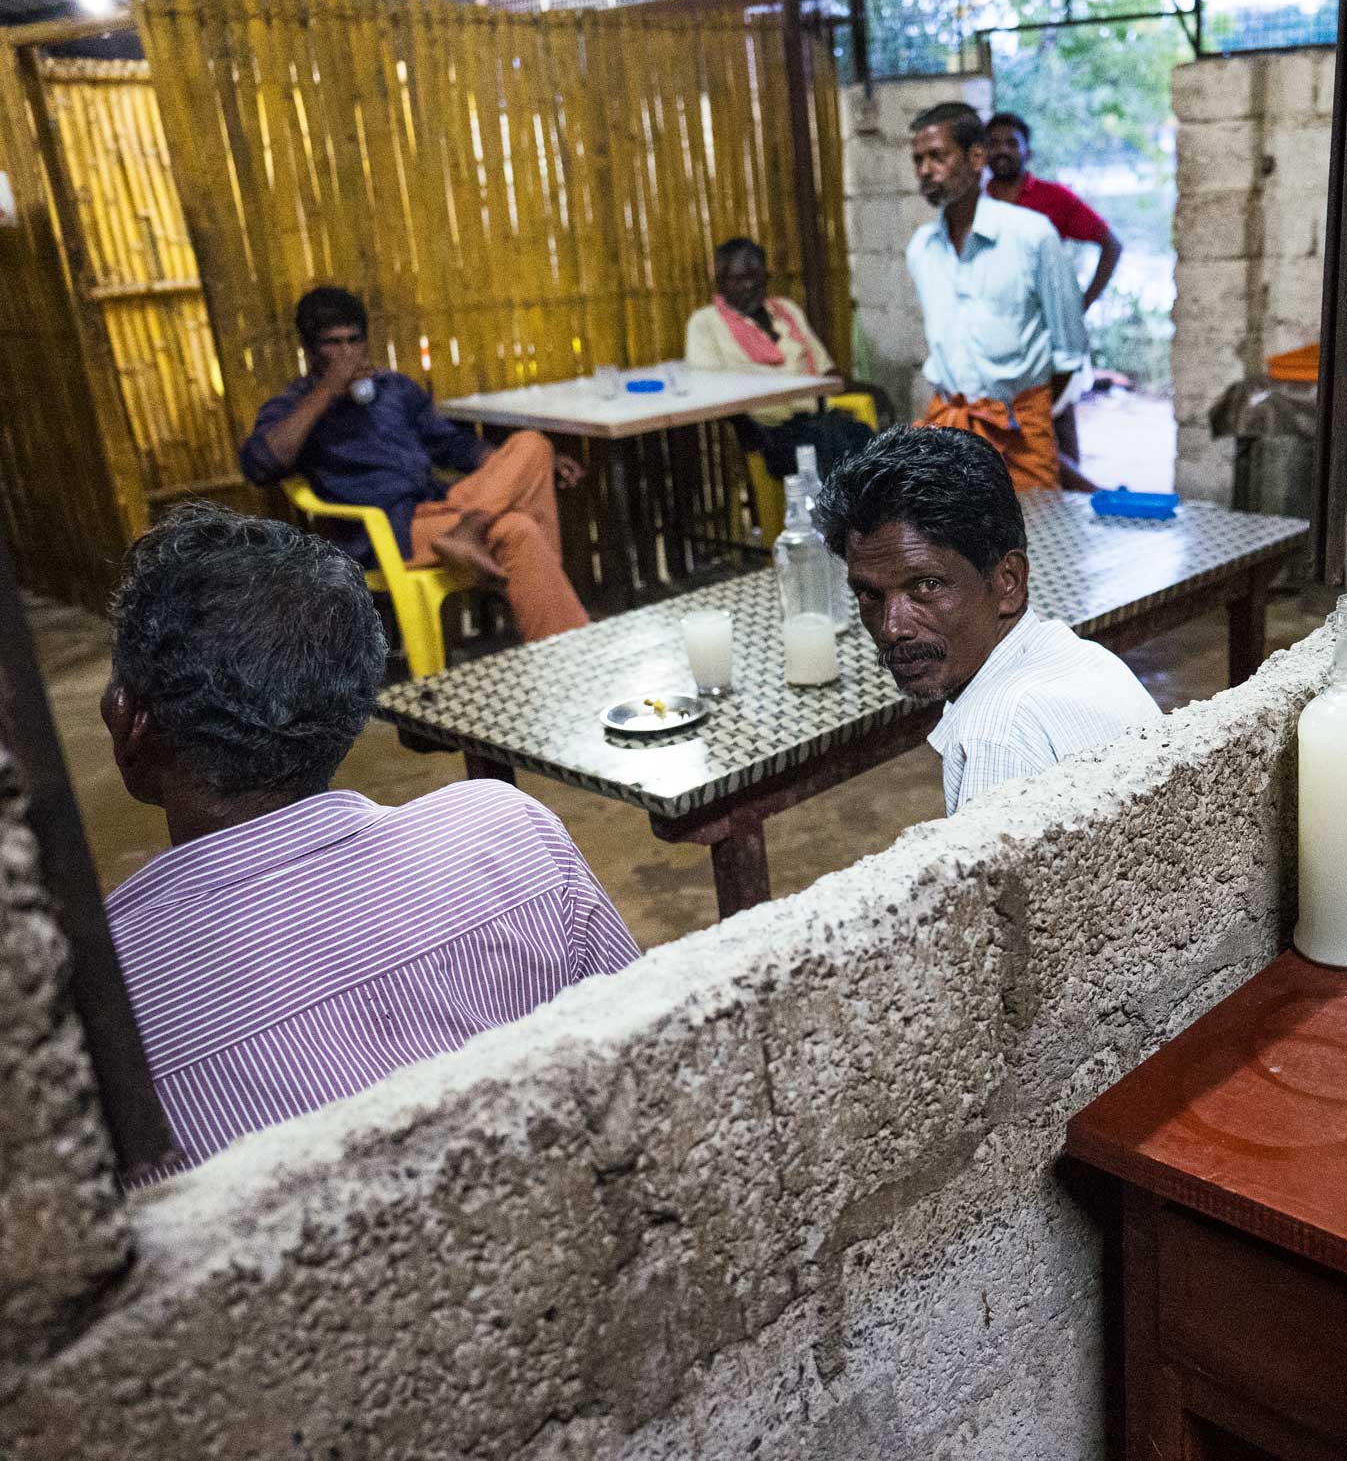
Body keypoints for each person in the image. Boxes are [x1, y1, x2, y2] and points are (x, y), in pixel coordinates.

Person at [101, 504, 640, 1173]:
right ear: (352, 700)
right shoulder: (511, 833)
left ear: (128, 722)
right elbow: (646, 1066)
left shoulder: (98, 999)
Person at [815, 425, 1161, 815]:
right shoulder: (1084, 659)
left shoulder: (998, 736)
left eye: (927, 585)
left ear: (1008, 582)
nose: (893, 627)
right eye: (869, 594)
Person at [240, 285, 588, 643]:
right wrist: (328, 390)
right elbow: (260, 464)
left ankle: (473, 533)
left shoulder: (394, 389)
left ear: (366, 342)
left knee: (533, 446)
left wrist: (527, 466)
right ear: (310, 350)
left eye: (353, 340)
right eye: (332, 343)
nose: (345, 352)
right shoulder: (296, 403)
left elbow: (453, 445)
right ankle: (568, 654)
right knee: (519, 528)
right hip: (387, 531)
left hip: (440, 508)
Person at [905, 103, 1088, 493]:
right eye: (918, 159)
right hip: (949, 428)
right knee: (954, 547)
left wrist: (1017, 407)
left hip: (1021, 429)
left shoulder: (1032, 235)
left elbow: (1069, 351)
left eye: (938, 156)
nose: (925, 169)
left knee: (1038, 543)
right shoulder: (921, 248)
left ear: (976, 157)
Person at [683, 237, 875, 545]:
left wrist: (839, 395)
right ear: (721, 282)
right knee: (825, 452)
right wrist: (747, 426)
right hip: (767, 428)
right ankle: (842, 541)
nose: (748, 287)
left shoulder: (785, 311)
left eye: (755, 277)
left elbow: (826, 368)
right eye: (737, 279)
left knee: (864, 440)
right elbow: (710, 391)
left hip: (814, 418)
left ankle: (870, 534)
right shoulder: (706, 324)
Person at [984, 110, 1123, 482]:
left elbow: (1110, 244)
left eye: (1012, 143)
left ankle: (1080, 512)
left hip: (1049, 339)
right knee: (1009, 437)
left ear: (1027, 151)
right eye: (994, 143)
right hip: (997, 343)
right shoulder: (976, 207)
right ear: (980, 153)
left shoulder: (1052, 199)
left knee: (1054, 425)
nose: (1003, 151)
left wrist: (1082, 304)